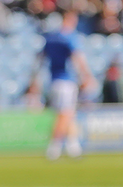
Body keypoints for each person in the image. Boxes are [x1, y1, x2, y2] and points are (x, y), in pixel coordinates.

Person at [30, 11, 95, 160]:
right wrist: (87, 76)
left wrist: (34, 79)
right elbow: (77, 58)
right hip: (66, 80)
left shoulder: (51, 38)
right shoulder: (69, 38)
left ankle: (73, 146)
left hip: (54, 80)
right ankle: (55, 147)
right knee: (64, 114)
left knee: (69, 113)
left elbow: (40, 58)